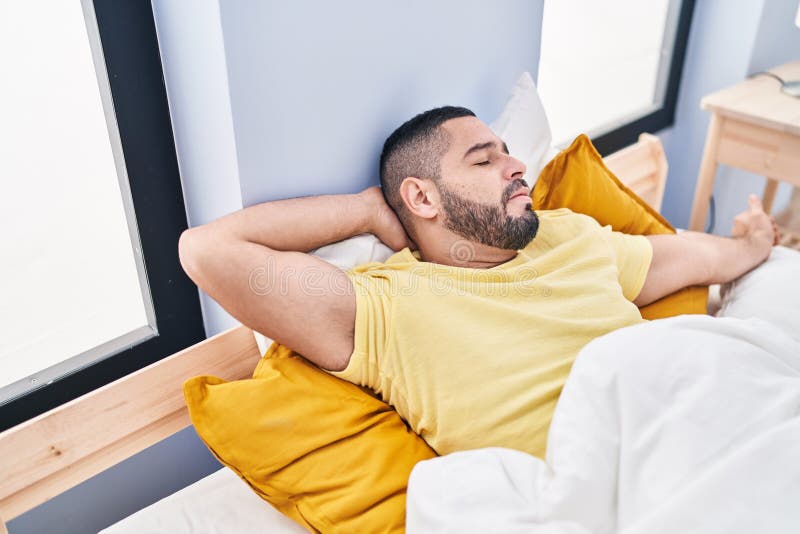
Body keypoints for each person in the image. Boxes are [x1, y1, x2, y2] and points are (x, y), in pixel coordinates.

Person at [178, 106, 779, 458]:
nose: (517, 166)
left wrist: (750, 244)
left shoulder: (566, 235)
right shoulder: (387, 309)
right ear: (421, 197)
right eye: (483, 159)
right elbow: (207, 250)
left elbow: (687, 259)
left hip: (705, 422)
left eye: (510, 152)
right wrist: (364, 212)